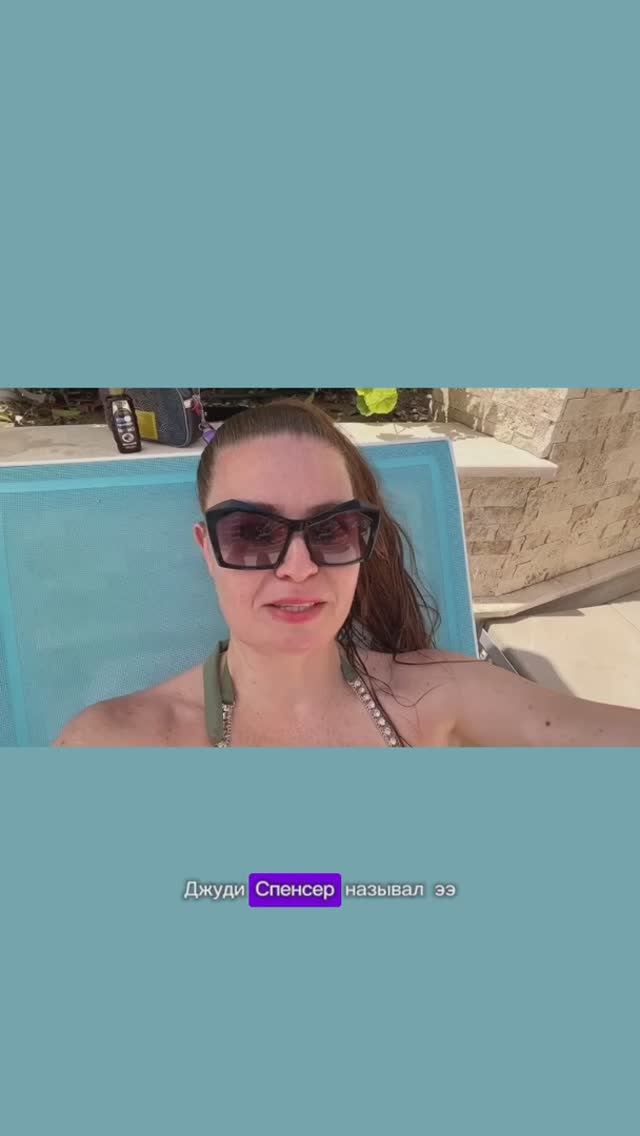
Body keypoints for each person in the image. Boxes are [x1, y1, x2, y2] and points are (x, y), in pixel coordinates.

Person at [54, 398, 640, 748]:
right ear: (206, 549)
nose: (299, 567)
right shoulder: (115, 742)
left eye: (332, 529)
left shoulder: (443, 693)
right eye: (253, 532)